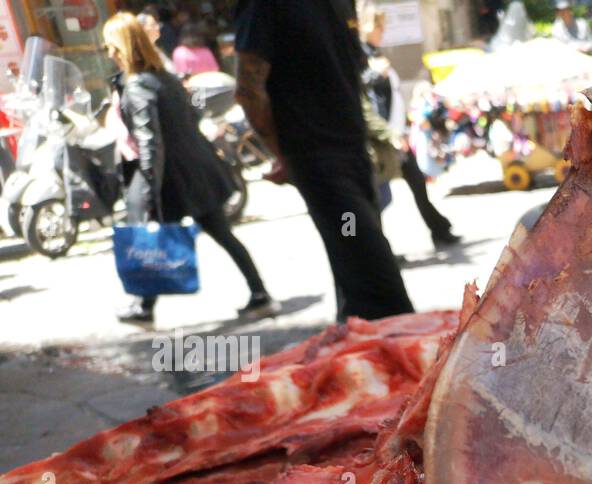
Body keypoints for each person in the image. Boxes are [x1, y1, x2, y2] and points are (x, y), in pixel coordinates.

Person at [234, 0, 414, 321]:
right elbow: (249, 89)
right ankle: (398, 347)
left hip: (354, 153)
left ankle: (357, 342)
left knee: (355, 269)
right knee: (369, 267)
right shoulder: (265, 7)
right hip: (318, 160)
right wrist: (282, 152)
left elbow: (348, 73)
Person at [103, 13, 276, 325]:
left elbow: (150, 142)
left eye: (110, 46)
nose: (108, 53)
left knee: (152, 240)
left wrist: (152, 189)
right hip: (196, 171)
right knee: (218, 234)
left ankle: (143, 306)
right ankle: (259, 293)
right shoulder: (163, 76)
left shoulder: (139, 85)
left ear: (120, 48)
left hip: (175, 178)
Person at [358, 2, 460, 248]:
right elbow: (365, 102)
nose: (382, 31)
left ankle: (439, 229)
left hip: (394, 134)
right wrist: (389, 133)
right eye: (378, 26)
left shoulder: (374, 53)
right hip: (381, 140)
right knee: (379, 198)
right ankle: (373, 250)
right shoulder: (361, 56)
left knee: (414, 185)